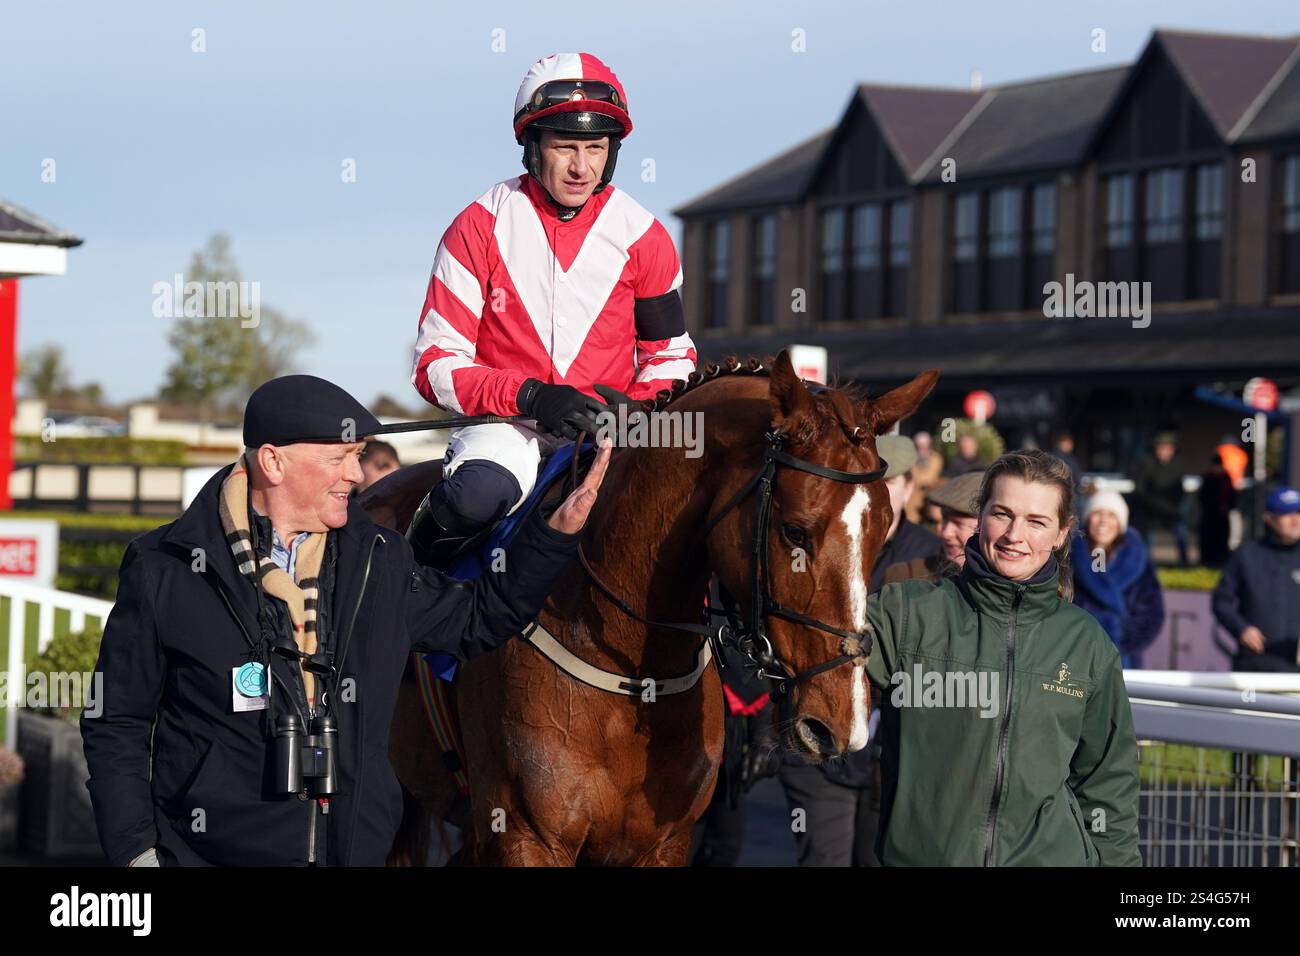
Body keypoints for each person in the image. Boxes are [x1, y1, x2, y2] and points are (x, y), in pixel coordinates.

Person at [81, 375, 612, 867]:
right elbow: (116, 722)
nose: (357, 475)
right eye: (340, 458)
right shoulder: (164, 567)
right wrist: (136, 852)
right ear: (273, 462)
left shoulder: (378, 559)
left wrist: (554, 534)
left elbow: (478, 620)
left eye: (358, 458)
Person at [409, 52, 696, 565]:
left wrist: (637, 412)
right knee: (478, 497)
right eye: (565, 147)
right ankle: (407, 598)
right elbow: (435, 366)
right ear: (531, 148)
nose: (581, 166)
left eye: (595, 147)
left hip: (608, 434)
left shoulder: (646, 238)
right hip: (506, 427)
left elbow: (669, 356)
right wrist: (530, 394)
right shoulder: (478, 226)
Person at [866, 449, 1141, 865]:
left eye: (1036, 522)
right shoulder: (905, 613)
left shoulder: (1086, 643)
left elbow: (1107, 782)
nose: (1015, 535)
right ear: (980, 516)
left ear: (1061, 533)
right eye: (1002, 514)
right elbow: (814, 649)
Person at [777, 435, 940, 867]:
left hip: (890, 754)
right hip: (822, 739)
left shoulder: (931, 555)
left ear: (908, 487)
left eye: (891, 482)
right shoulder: (821, 539)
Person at [1070, 491, 1165, 669]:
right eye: (1097, 513)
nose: (1103, 521)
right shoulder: (1070, 556)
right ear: (1088, 518)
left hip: (1122, 659)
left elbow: (1152, 614)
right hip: (1075, 656)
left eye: (1111, 515)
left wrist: (1119, 638)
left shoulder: (1138, 561)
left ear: (1121, 522)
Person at [1211, 486, 1300, 673]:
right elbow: (1221, 600)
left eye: (1298, 513)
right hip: (1253, 667)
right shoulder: (1247, 554)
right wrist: (1242, 629)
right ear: (1269, 518)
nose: (1295, 520)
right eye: (1286, 514)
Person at [888, 469, 984, 584]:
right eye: (944, 519)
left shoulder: (1007, 591)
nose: (944, 532)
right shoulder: (906, 577)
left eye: (958, 524)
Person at [1134, 431, 1188, 566]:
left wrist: (1175, 507)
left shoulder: (1177, 465)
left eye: (1168, 448)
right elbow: (1141, 490)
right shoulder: (1147, 464)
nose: (1164, 452)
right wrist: (1154, 504)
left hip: (1170, 509)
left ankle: (1184, 563)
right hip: (1150, 510)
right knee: (1147, 536)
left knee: (1181, 532)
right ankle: (1146, 565)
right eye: (1161, 448)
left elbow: (1179, 490)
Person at [1198, 452, 1235, 567]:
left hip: (1220, 516)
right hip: (1211, 516)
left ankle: (1219, 562)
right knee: (1209, 541)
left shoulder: (1224, 478)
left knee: (1220, 541)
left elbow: (1232, 497)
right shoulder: (1210, 477)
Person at [904, 430, 943, 525]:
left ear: (929, 445)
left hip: (928, 500)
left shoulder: (936, 458)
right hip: (911, 502)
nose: (922, 449)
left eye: (924, 446)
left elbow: (928, 479)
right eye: (919, 446)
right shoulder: (910, 458)